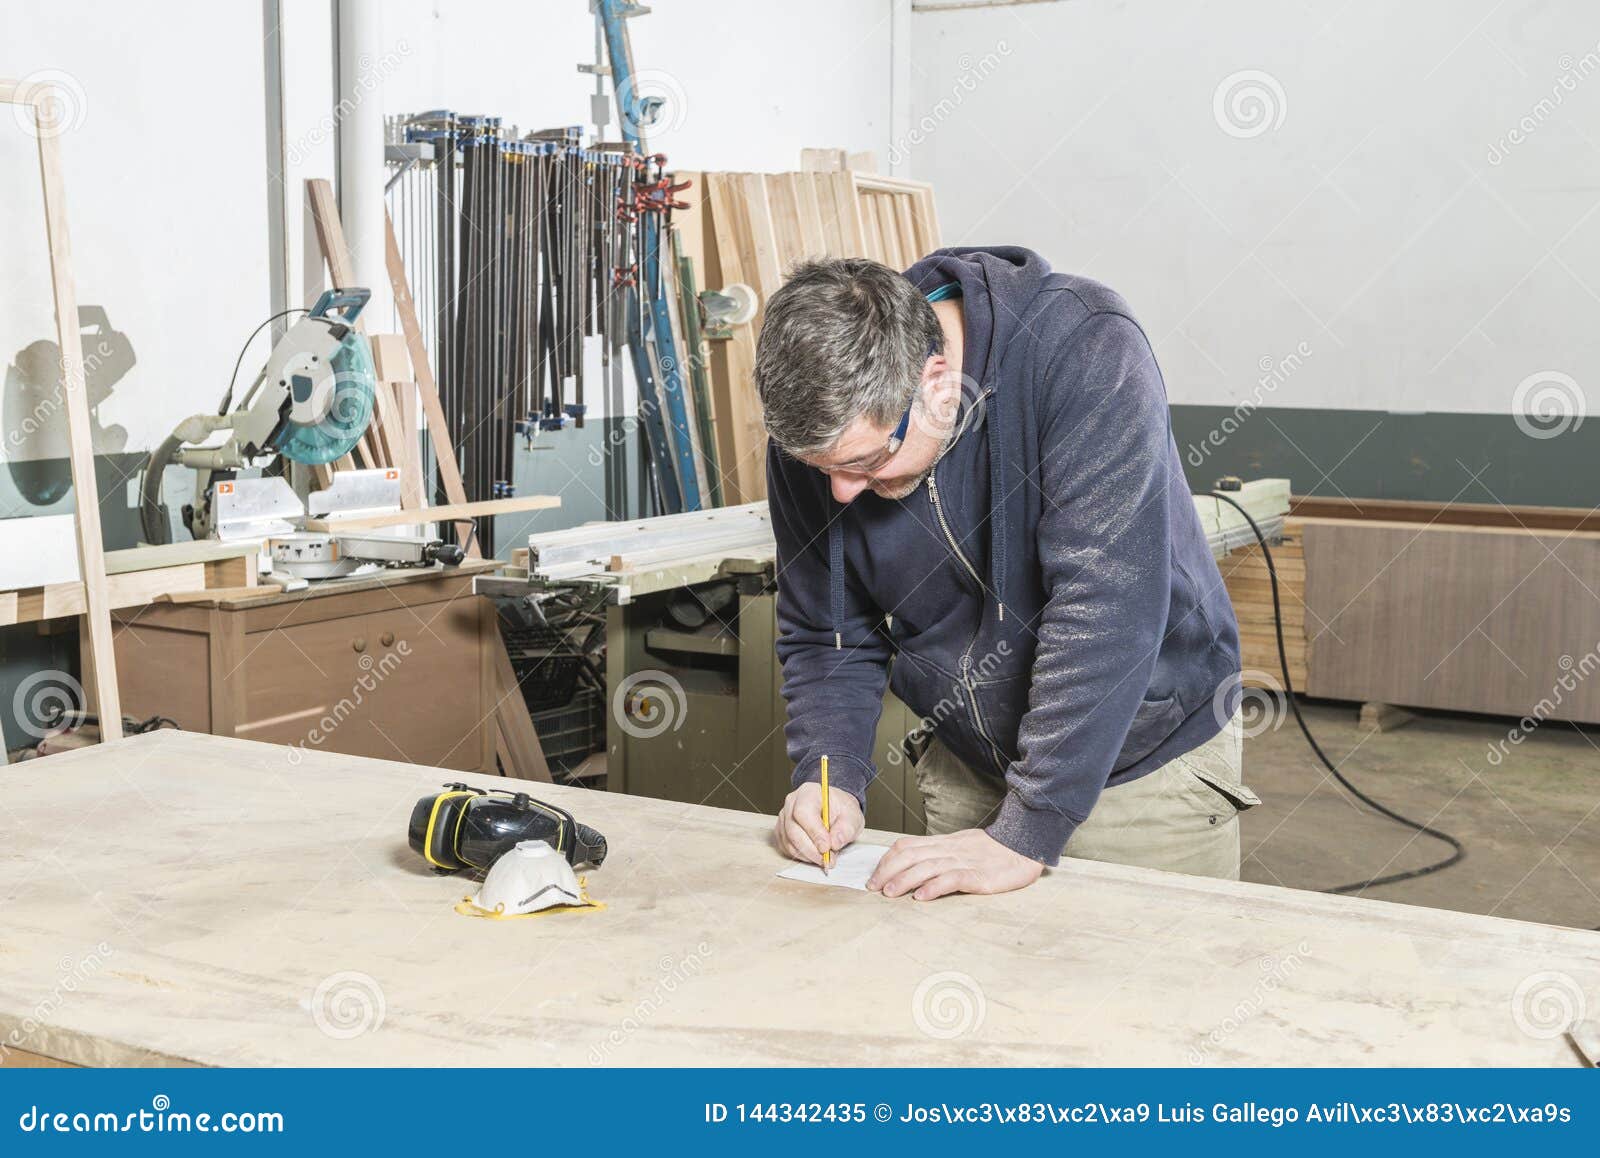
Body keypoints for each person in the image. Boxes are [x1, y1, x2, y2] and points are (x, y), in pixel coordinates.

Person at [753, 249, 1257, 900]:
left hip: (1141, 768)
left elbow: (1104, 608)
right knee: (974, 993)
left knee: (1154, 989)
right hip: (972, 766)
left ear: (938, 382)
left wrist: (1029, 828)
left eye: (865, 460)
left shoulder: (1082, 349)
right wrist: (829, 775)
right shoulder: (823, 436)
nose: (842, 493)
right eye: (823, 469)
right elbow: (828, 632)